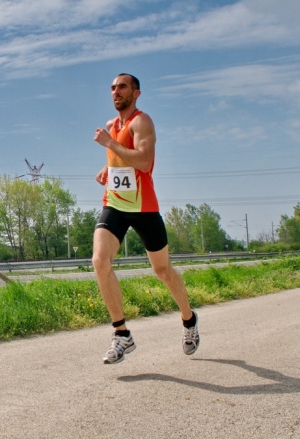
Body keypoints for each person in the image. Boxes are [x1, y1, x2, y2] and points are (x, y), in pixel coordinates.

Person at [91, 73, 199, 364]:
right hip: (114, 203)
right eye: (112, 87)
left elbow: (143, 161)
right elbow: (120, 159)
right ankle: (122, 333)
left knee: (162, 271)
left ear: (136, 93)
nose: (116, 91)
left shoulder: (142, 121)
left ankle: (189, 320)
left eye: (122, 87)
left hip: (144, 207)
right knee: (100, 262)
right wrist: (107, 168)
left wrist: (110, 146)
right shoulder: (113, 125)